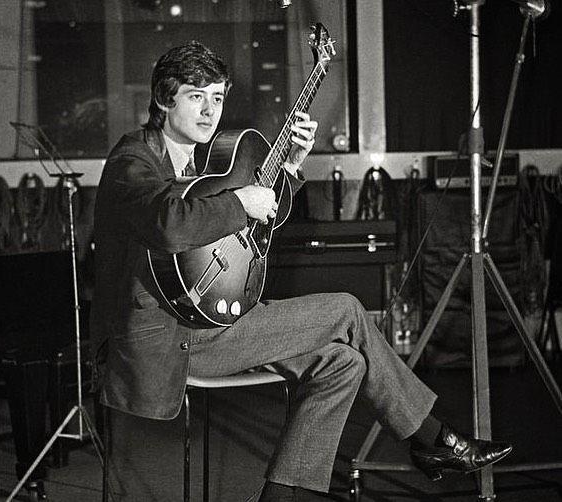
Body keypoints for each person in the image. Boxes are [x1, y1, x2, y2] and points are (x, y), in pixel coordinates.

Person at [91, 41, 512, 501]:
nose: (209, 110)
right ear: (163, 98)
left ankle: (280, 496)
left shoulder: (199, 160)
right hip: (168, 340)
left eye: (217, 97)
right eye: (196, 96)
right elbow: (169, 223)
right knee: (348, 310)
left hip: (209, 318)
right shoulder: (131, 160)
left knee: (343, 363)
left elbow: (257, 218)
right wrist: (240, 202)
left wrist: (288, 166)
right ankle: (434, 440)